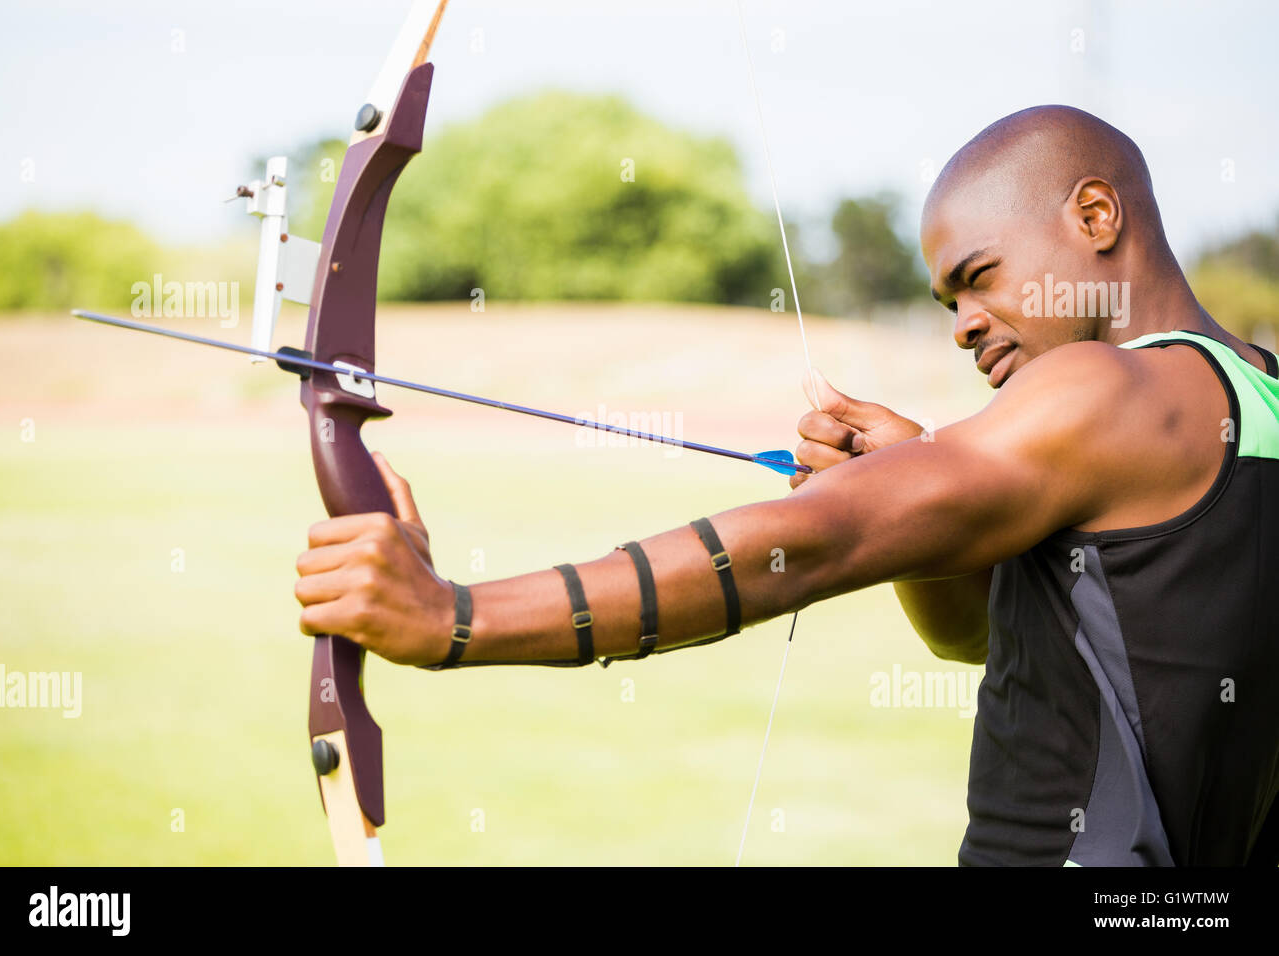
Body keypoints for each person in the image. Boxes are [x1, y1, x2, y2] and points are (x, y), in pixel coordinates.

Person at [294, 105, 1279, 866]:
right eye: (946, 299)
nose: (962, 322)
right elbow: (985, 631)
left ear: (1095, 215)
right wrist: (920, 475)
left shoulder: (1103, 388)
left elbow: (805, 545)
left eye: (980, 275)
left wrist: (454, 614)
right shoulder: (1254, 388)